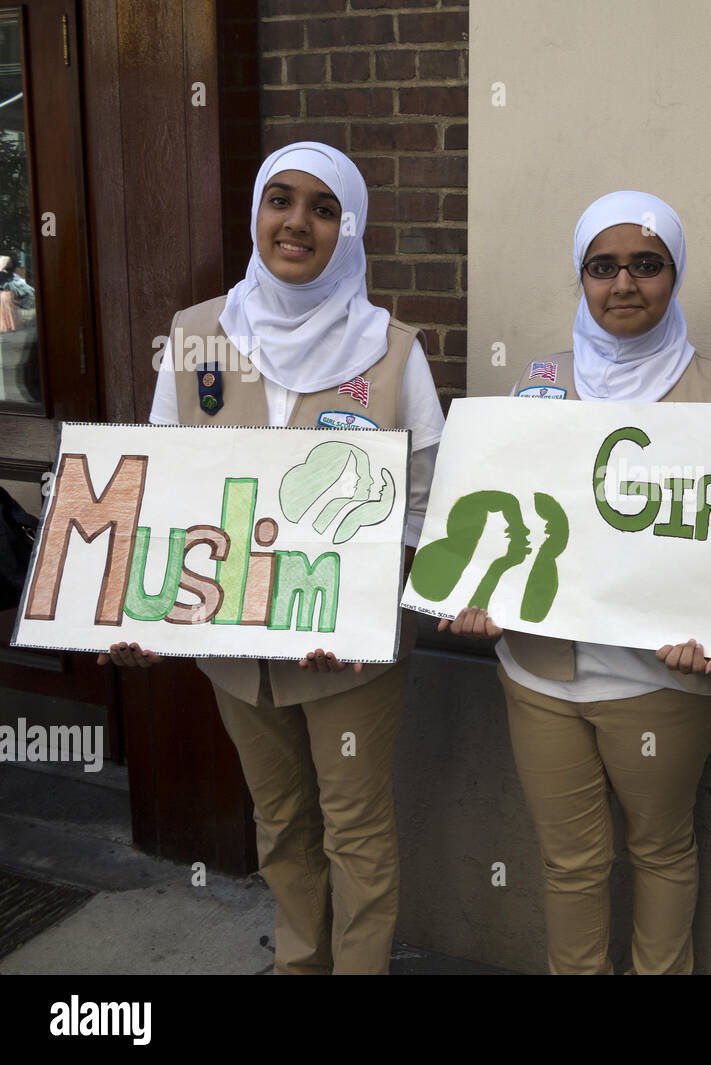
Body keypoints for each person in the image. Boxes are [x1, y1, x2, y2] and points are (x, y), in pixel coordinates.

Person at [99, 142, 444, 974]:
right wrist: (139, 607)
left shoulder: (392, 350)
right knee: (282, 820)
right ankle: (300, 963)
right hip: (235, 647)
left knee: (355, 828)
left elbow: (427, 509)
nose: (296, 222)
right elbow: (166, 485)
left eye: (322, 209)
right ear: (256, 212)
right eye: (279, 200)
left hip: (348, 656)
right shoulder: (195, 335)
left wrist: (360, 609)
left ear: (347, 229)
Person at [443, 191, 711, 974]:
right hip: (540, 673)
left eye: (646, 265)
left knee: (660, 852)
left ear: (674, 275)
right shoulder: (537, 382)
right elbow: (503, 525)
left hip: (661, 684)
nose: (624, 283)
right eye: (602, 266)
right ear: (580, 278)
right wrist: (479, 599)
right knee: (570, 865)